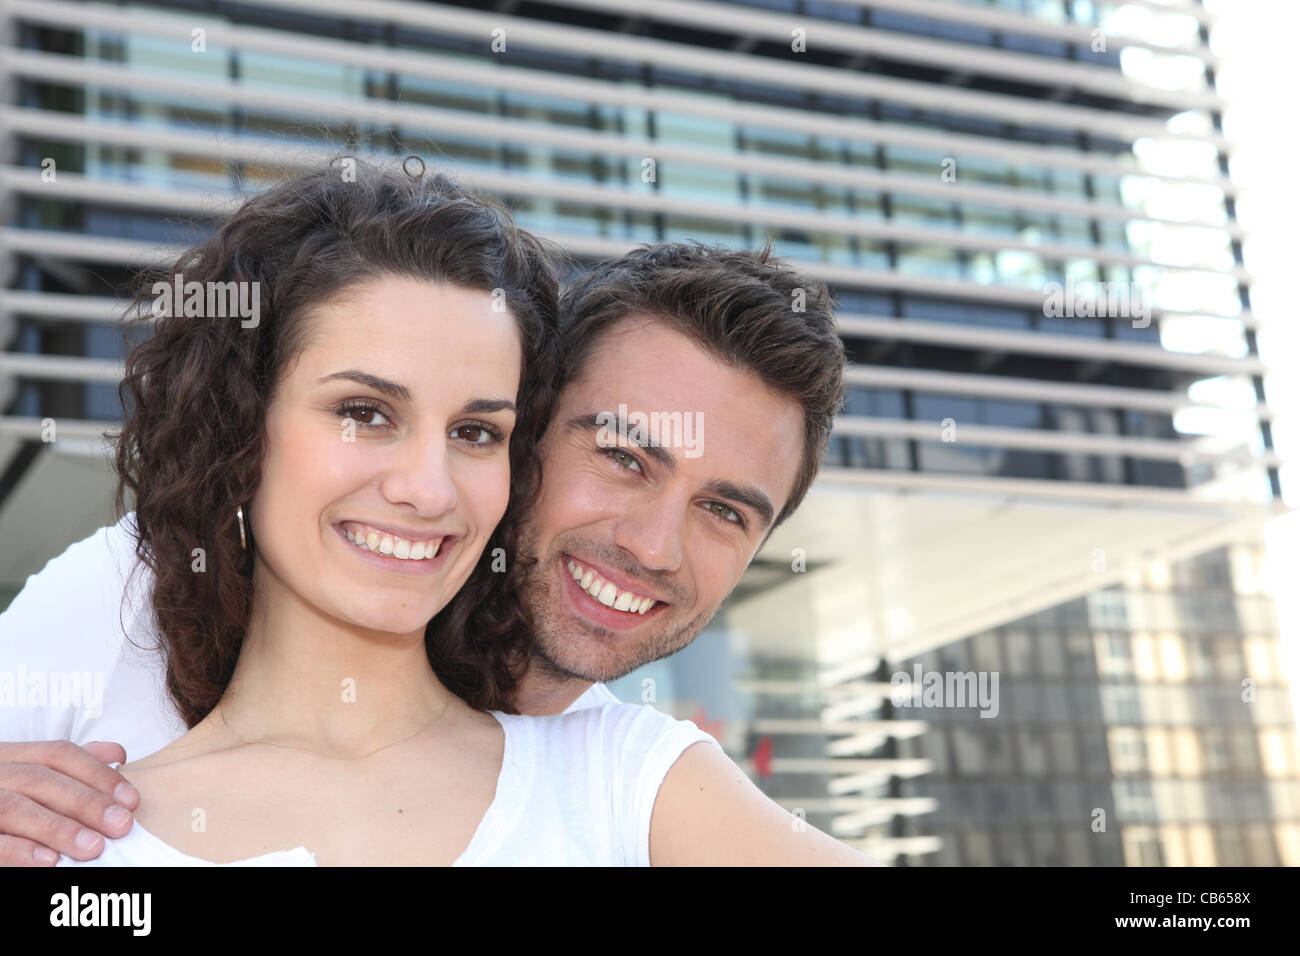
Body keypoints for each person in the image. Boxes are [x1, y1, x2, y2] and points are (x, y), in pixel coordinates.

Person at [0, 157, 872, 866]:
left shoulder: (629, 777)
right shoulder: (121, 600)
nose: (427, 489)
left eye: (472, 431)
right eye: (621, 457)